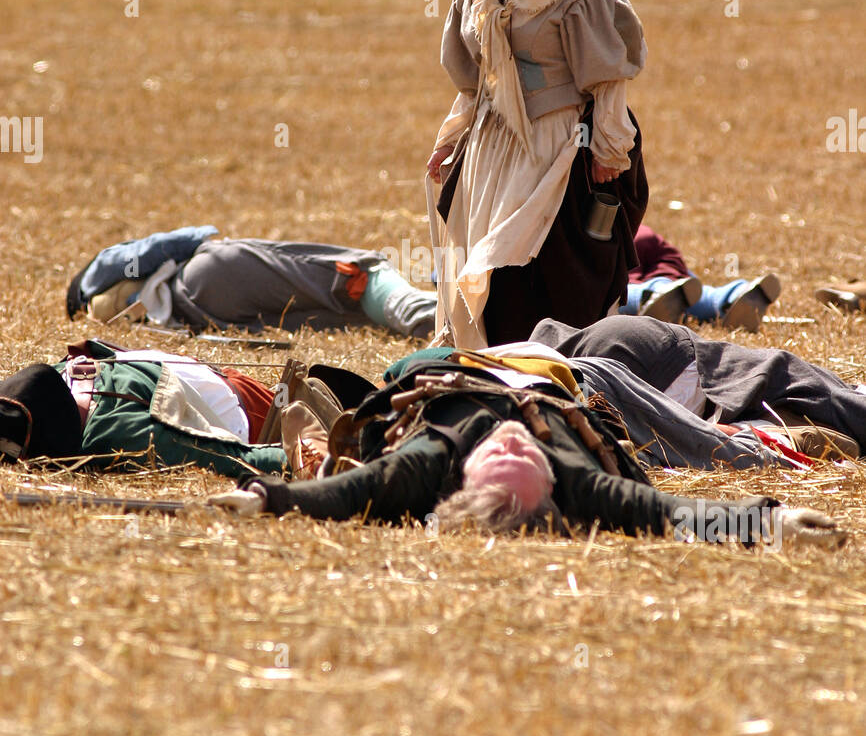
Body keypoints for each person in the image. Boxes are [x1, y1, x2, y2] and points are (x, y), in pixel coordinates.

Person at [213, 353, 844, 548]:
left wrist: (261, 499)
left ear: (463, 481)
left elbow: (350, 493)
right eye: (528, 458)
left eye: (500, 454)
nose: (512, 440)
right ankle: (769, 440)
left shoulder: (428, 459)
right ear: (551, 487)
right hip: (571, 379)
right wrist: (773, 523)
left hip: (451, 365)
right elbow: (672, 514)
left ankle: (756, 431)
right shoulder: (578, 483)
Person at [425, 0, 648, 349]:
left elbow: (607, 77)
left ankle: (555, 367)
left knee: (542, 267)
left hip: (559, 145)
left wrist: (610, 148)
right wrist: (453, 139)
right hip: (492, 149)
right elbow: (475, 83)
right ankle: (497, 366)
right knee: (490, 275)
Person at [530, 313, 866, 460]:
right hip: (630, 361)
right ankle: (768, 432)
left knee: (777, 379)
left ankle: (768, 432)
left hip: (626, 361)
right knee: (778, 377)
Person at [66, 225, 436, 338]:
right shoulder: (95, 273)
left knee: (338, 314)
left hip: (204, 314)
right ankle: (438, 315)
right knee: (356, 276)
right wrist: (201, 235)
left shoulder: (99, 314)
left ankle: (429, 321)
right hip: (208, 272)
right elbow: (154, 249)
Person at [0, 340, 287, 480]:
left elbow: (243, 460)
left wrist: (317, 459)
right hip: (202, 375)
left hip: (254, 407)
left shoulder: (124, 435)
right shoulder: (59, 374)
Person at [622, 224, 781, 330]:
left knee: (615, 295)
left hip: (616, 244)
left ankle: (647, 296)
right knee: (684, 290)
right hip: (644, 236)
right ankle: (729, 297)